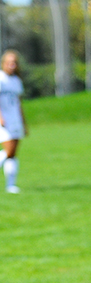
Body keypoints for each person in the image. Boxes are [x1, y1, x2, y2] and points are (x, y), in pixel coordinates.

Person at [0, 50, 28, 194]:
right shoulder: (1, 78)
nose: (12, 65)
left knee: (13, 153)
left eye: (14, 63)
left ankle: (11, 185)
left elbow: (18, 103)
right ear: (3, 63)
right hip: (3, 120)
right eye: (9, 62)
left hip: (15, 119)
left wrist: (24, 123)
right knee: (9, 150)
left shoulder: (16, 80)